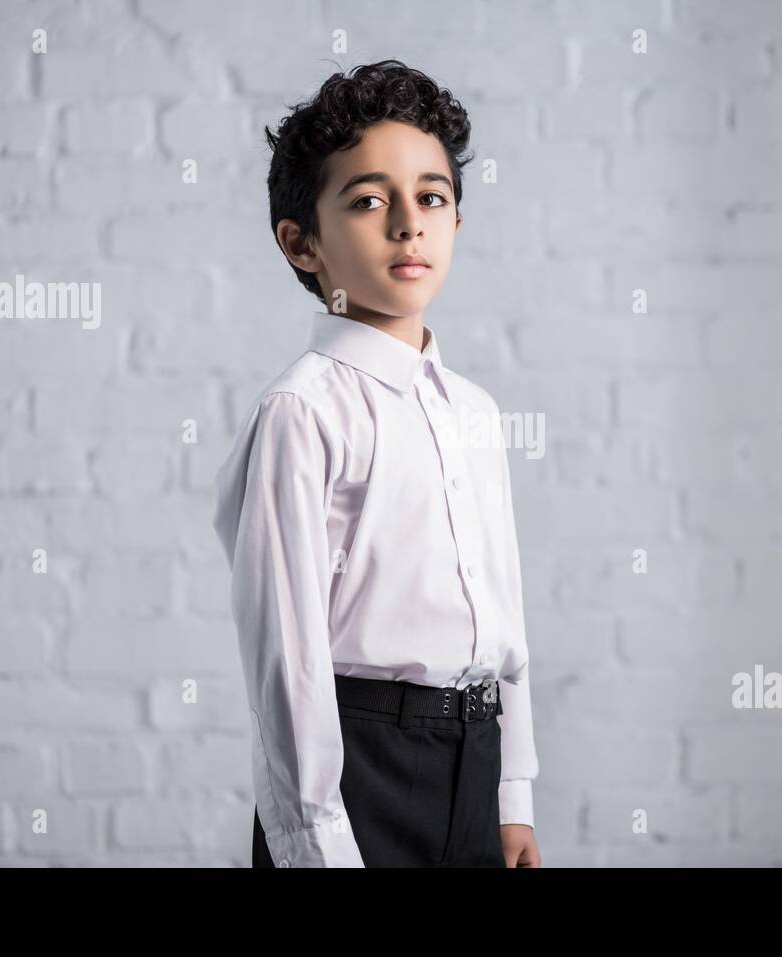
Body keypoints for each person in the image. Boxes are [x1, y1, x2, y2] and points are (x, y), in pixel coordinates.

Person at [211, 60, 541, 868]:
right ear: (302, 241)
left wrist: (513, 797)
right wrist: (315, 846)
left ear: (457, 223)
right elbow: (286, 666)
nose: (408, 223)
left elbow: (505, 617)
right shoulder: (304, 411)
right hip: (359, 773)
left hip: (475, 756)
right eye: (367, 200)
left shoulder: (476, 411)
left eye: (431, 197)